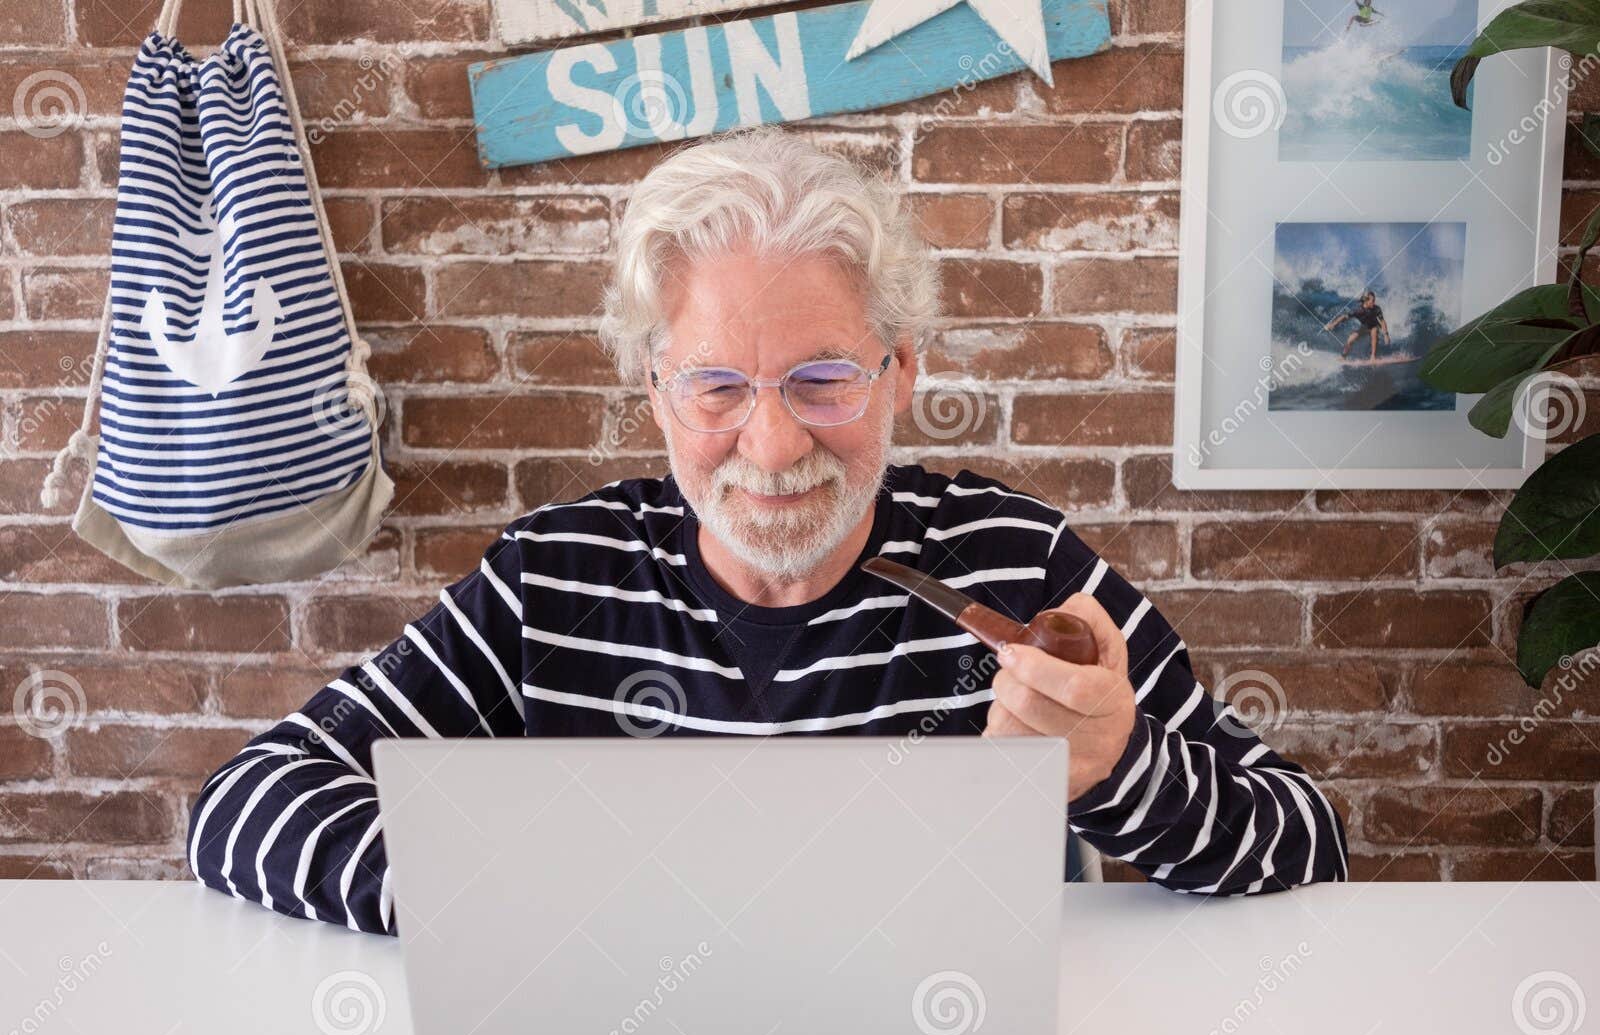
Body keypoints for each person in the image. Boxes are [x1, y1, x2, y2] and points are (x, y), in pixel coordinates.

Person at [186, 126, 1349, 935]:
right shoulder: (552, 578)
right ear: (654, 391)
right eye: (719, 387)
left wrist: (1117, 765)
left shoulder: (1016, 561)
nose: (776, 444)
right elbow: (244, 801)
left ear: (901, 372)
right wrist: (521, 906)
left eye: (823, 377)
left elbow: (1309, 845)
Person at [1325, 290, 1390, 361]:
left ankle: (1373, 356)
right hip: (1365, 327)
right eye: (1372, 301)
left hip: (1375, 326)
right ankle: (1343, 357)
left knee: (1374, 331)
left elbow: (1382, 321)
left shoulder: (1377, 309)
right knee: (1350, 339)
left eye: (1374, 300)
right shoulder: (1358, 310)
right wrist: (1333, 324)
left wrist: (1386, 334)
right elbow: (1344, 317)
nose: (1374, 303)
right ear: (1366, 301)